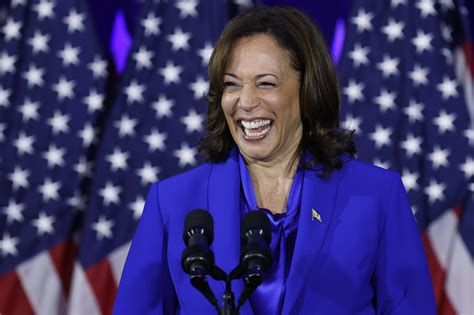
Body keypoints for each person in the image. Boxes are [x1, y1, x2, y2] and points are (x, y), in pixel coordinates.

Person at [113, 6, 436, 315]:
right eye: (231, 85)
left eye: (266, 83)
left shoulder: (377, 195)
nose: (246, 101)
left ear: (307, 89)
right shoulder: (172, 202)